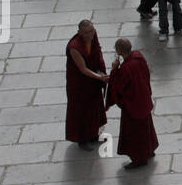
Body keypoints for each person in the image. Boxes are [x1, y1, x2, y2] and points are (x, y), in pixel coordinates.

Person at [106, 38, 158, 170]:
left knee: (134, 133)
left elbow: (118, 86)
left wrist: (114, 70)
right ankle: (149, 150)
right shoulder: (138, 56)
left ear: (119, 51)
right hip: (144, 99)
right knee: (146, 127)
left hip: (133, 105)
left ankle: (139, 159)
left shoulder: (126, 68)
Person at [65, 20, 107, 149]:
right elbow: (82, 69)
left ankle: (93, 134)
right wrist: (100, 77)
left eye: (92, 31)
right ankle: (82, 140)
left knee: (94, 108)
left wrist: (102, 68)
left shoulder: (93, 36)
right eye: (87, 32)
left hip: (92, 80)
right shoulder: (74, 47)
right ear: (80, 33)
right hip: (79, 84)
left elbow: (97, 50)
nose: (91, 35)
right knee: (81, 111)